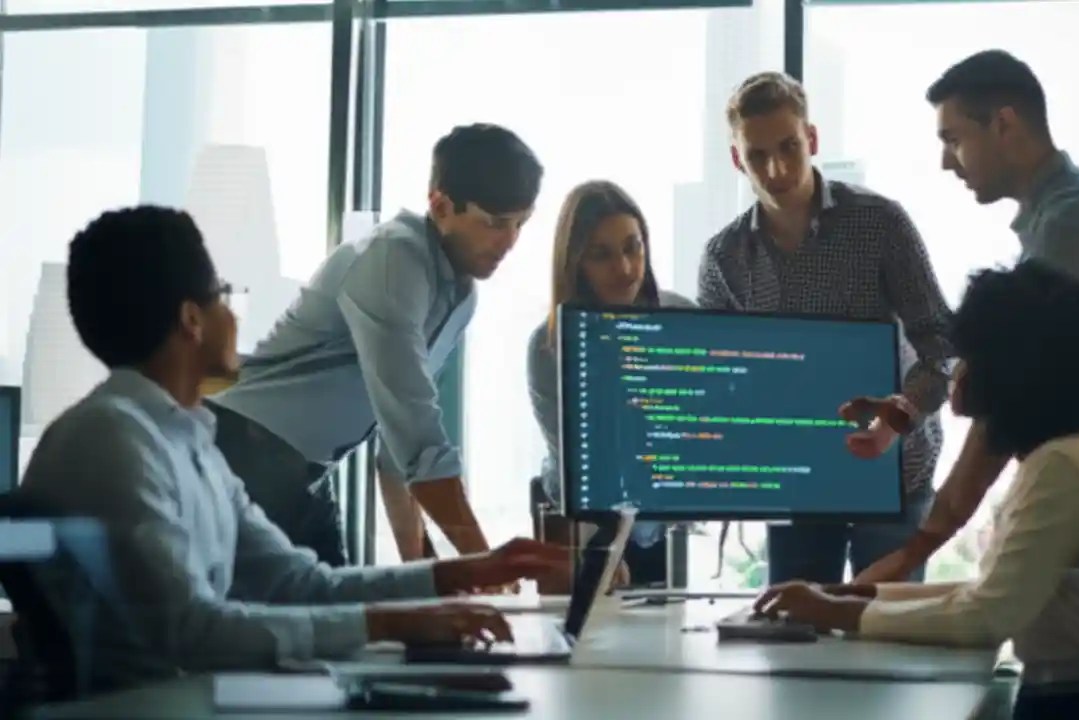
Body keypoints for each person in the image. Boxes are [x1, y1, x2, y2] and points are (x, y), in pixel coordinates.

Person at [17, 206, 566, 689]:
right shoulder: (113, 440)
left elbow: (300, 583)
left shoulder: (187, 441)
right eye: (222, 295)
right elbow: (192, 631)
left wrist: (463, 573)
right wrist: (392, 623)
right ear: (192, 320)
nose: (234, 316)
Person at [851, 50, 1079, 655]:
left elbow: (1022, 395)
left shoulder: (1075, 226)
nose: (945, 161)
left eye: (953, 139)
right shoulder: (1067, 216)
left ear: (1004, 123)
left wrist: (919, 546)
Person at [757, 261, 1079, 711]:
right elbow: (991, 593)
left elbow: (985, 617)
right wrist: (856, 594)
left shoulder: (1065, 466)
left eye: (970, 357)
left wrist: (835, 612)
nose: (958, 373)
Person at [208, 123, 544, 567]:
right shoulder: (392, 261)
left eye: (521, 223)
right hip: (241, 452)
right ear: (441, 206)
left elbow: (399, 452)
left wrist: (427, 573)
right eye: (495, 223)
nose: (510, 242)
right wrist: (486, 564)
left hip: (304, 473)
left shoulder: (460, 294)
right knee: (299, 609)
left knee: (347, 604)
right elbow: (419, 441)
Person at [697, 71, 953, 585]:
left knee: (887, 627)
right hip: (798, 485)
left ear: (811, 140)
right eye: (757, 155)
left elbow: (942, 346)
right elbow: (721, 381)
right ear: (737, 160)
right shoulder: (723, 258)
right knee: (796, 627)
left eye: (789, 147)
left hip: (896, 473)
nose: (776, 168)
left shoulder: (881, 224)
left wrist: (896, 420)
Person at [526, 180, 694, 590]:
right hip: (584, 525)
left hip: (662, 521)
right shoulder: (549, 346)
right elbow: (574, 461)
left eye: (633, 248)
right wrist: (607, 548)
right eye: (601, 255)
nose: (625, 269)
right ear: (575, 263)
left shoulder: (682, 319)